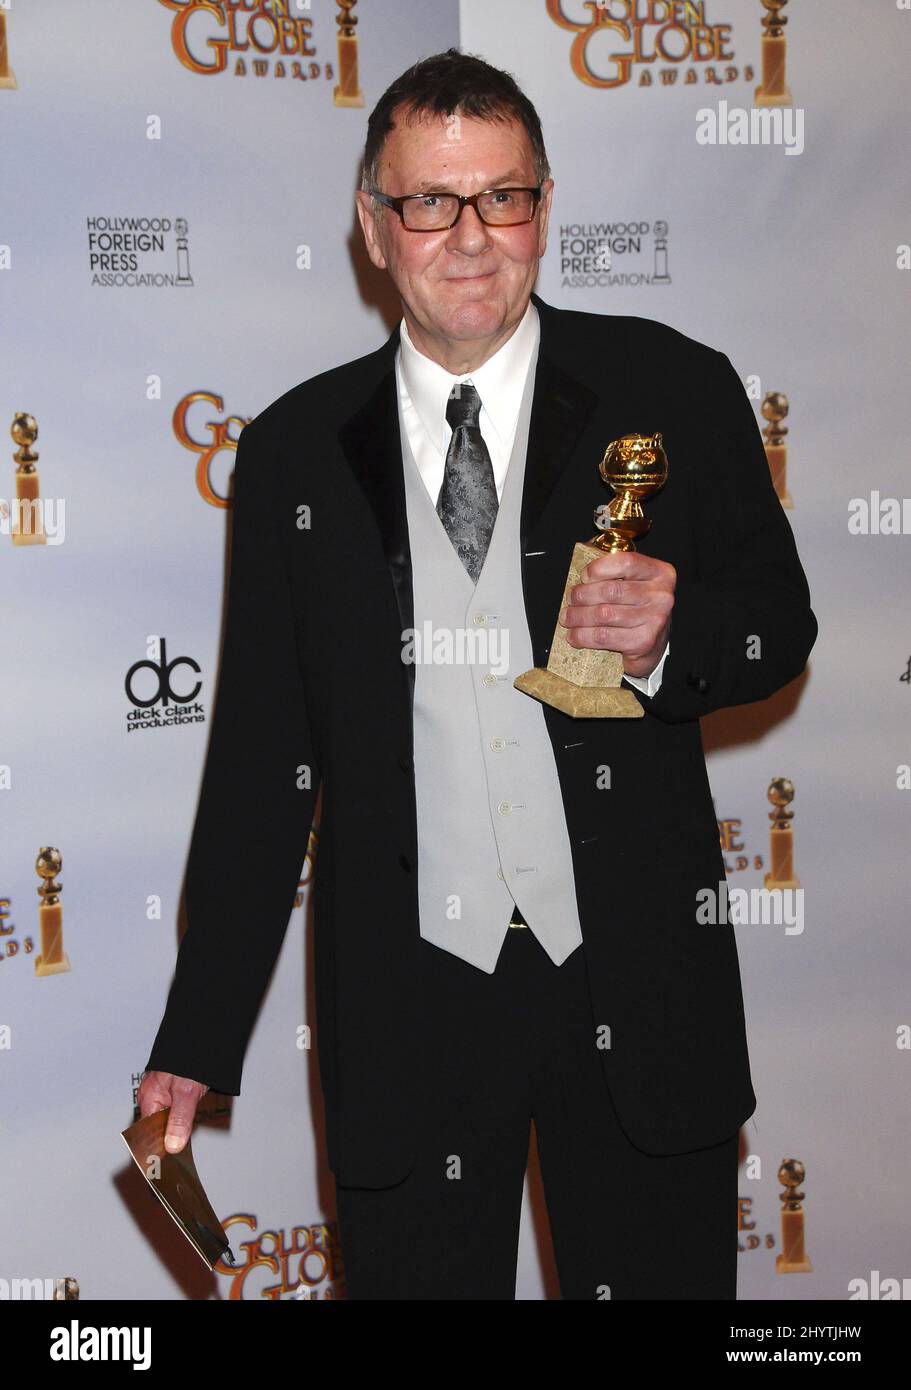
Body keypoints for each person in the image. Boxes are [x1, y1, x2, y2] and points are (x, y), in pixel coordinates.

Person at [140, 48, 817, 1300]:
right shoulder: (294, 451)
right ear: (371, 226)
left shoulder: (672, 386)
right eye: (428, 202)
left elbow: (781, 627)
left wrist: (674, 641)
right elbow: (258, 762)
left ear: (544, 207)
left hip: (635, 999)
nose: (467, 238)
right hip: (411, 1009)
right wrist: (198, 1032)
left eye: (500, 198)